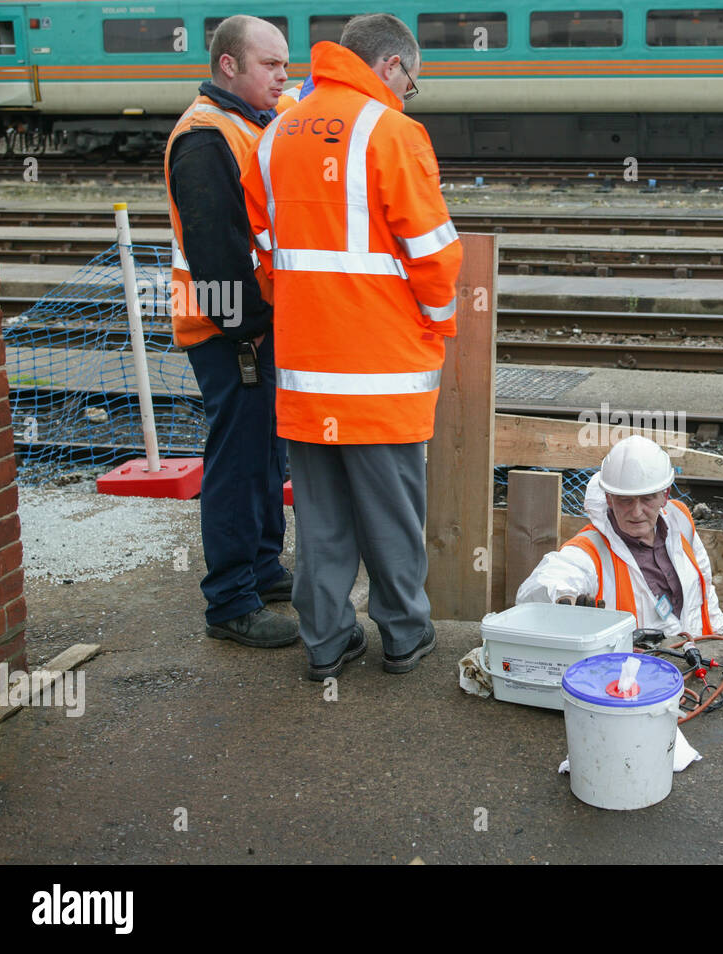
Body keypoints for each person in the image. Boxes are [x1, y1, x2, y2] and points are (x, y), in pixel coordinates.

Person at [241, 14, 463, 681]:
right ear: (391, 65)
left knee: (320, 522)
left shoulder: (276, 133)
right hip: (383, 372)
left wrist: (310, 312)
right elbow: (435, 257)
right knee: (392, 519)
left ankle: (326, 646)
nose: (408, 94)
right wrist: (437, 324)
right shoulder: (392, 132)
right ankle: (403, 638)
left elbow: (262, 250)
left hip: (307, 374)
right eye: (411, 82)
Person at [165, 15, 296, 648]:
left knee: (266, 455)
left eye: (285, 63)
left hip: (252, 327)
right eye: (270, 64)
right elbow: (215, 251)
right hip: (229, 331)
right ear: (229, 66)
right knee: (238, 461)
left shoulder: (249, 125)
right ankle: (230, 602)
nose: (284, 74)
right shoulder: (205, 136)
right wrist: (247, 327)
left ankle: (264, 569)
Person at [516, 436, 723, 638]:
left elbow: (703, 586)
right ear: (609, 499)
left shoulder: (680, 520)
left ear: (664, 495)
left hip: (698, 662)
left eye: (647, 499)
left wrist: (719, 637)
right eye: (625, 500)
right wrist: (563, 603)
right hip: (633, 674)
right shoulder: (590, 551)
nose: (637, 512)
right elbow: (541, 587)